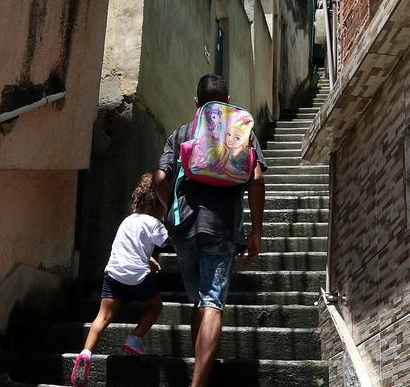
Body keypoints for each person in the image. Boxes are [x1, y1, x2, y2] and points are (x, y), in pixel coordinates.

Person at [154, 74, 265, 387]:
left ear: (196, 102)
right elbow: (256, 179)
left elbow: (159, 178)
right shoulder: (241, 132)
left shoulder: (181, 133)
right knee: (212, 302)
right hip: (221, 226)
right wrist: (256, 231)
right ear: (227, 101)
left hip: (184, 227)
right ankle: (198, 383)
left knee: (199, 301)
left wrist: (171, 209)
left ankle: (200, 372)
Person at [71, 173, 168, 386]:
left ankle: (86, 353)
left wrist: (149, 258)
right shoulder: (155, 224)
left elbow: (130, 246)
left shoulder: (127, 220)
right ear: (159, 206)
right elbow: (170, 241)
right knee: (155, 306)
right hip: (138, 276)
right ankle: (135, 339)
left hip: (114, 273)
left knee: (103, 317)